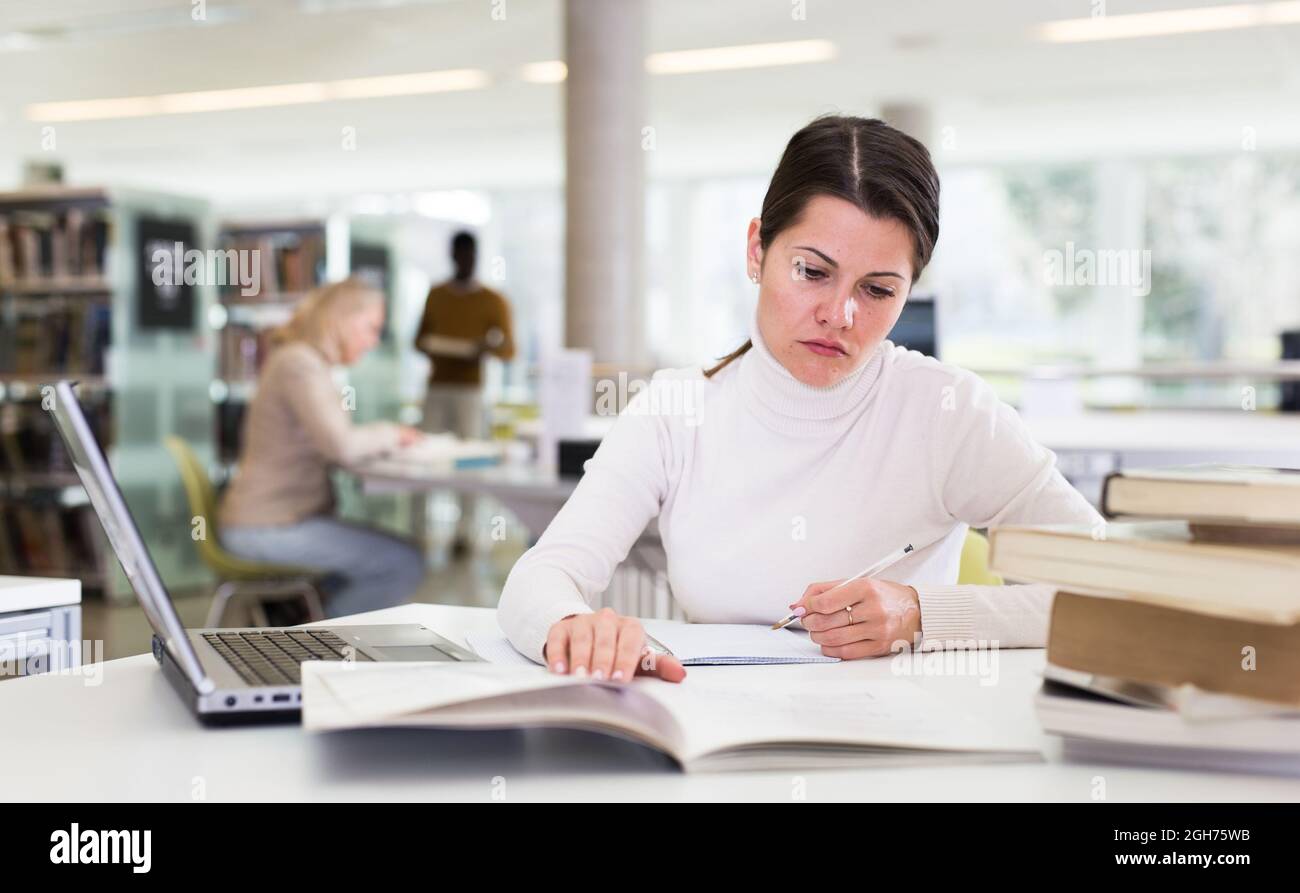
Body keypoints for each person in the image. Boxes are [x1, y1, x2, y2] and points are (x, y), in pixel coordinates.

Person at [498, 114, 1104, 684]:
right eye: (812, 272)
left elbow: (1116, 590)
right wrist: (571, 627)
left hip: (897, 749)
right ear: (757, 250)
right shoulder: (676, 409)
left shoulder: (948, 413)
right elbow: (542, 576)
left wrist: (926, 616)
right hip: (718, 735)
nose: (839, 315)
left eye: (877, 290)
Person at [220, 277, 426, 619]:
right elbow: (341, 445)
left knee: (387, 556)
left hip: (270, 521)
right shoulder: (299, 364)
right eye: (370, 328)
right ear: (339, 320)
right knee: (402, 562)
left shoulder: (300, 361)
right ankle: (318, 643)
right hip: (265, 528)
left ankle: (300, 621)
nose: (373, 341)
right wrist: (393, 435)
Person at [413, 231, 516, 554]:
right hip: (437, 388)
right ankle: (418, 533)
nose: (464, 261)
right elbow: (418, 340)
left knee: (468, 464)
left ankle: (465, 536)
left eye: (469, 255)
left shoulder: (492, 300)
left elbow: (509, 350)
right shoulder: (437, 294)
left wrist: (484, 348)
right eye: (459, 254)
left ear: (476, 256)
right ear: (452, 256)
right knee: (422, 461)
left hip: (470, 392)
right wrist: (437, 348)